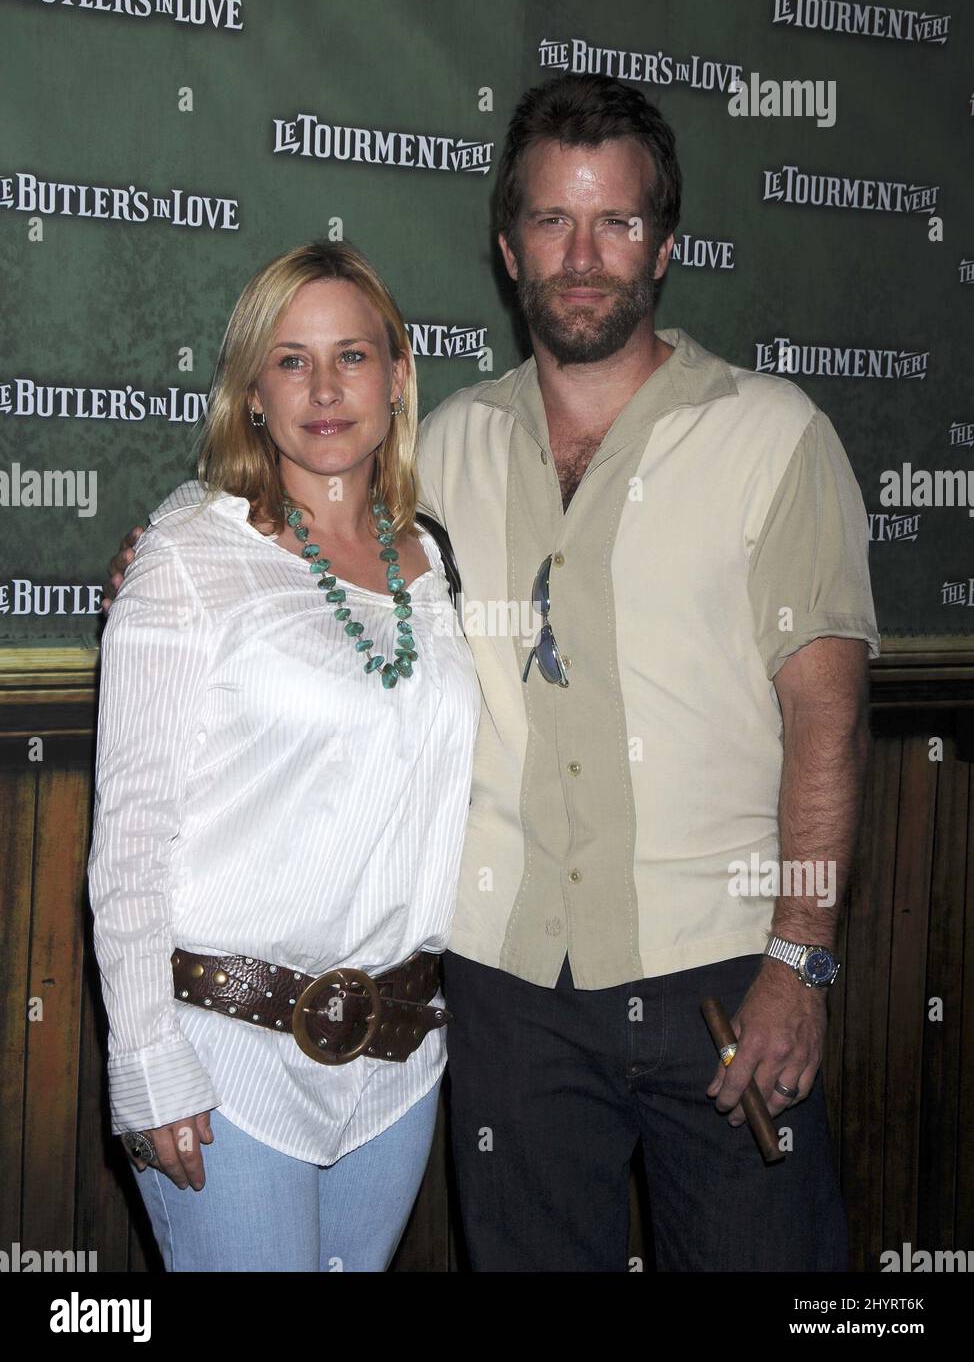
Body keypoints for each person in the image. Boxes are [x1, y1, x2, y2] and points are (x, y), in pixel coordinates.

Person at [105, 73, 881, 1273]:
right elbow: (273, 549)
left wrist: (800, 956)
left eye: (614, 222)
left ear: (663, 245)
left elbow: (826, 719)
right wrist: (158, 558)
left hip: (720, 986)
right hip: (505, 997)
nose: (582, 256)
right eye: (550, 223)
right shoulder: (442, 455)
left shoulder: (772, 434)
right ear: (506, 249)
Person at [88, 239, 481, 1273]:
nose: (323, 388)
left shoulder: (435, 561)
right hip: (226, 1059)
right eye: (290, 359)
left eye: (351, 356)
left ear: (398, 377)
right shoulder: (188, 555)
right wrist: (143, 1057)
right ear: (251, 391)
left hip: (396, 1061)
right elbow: (131, 833)